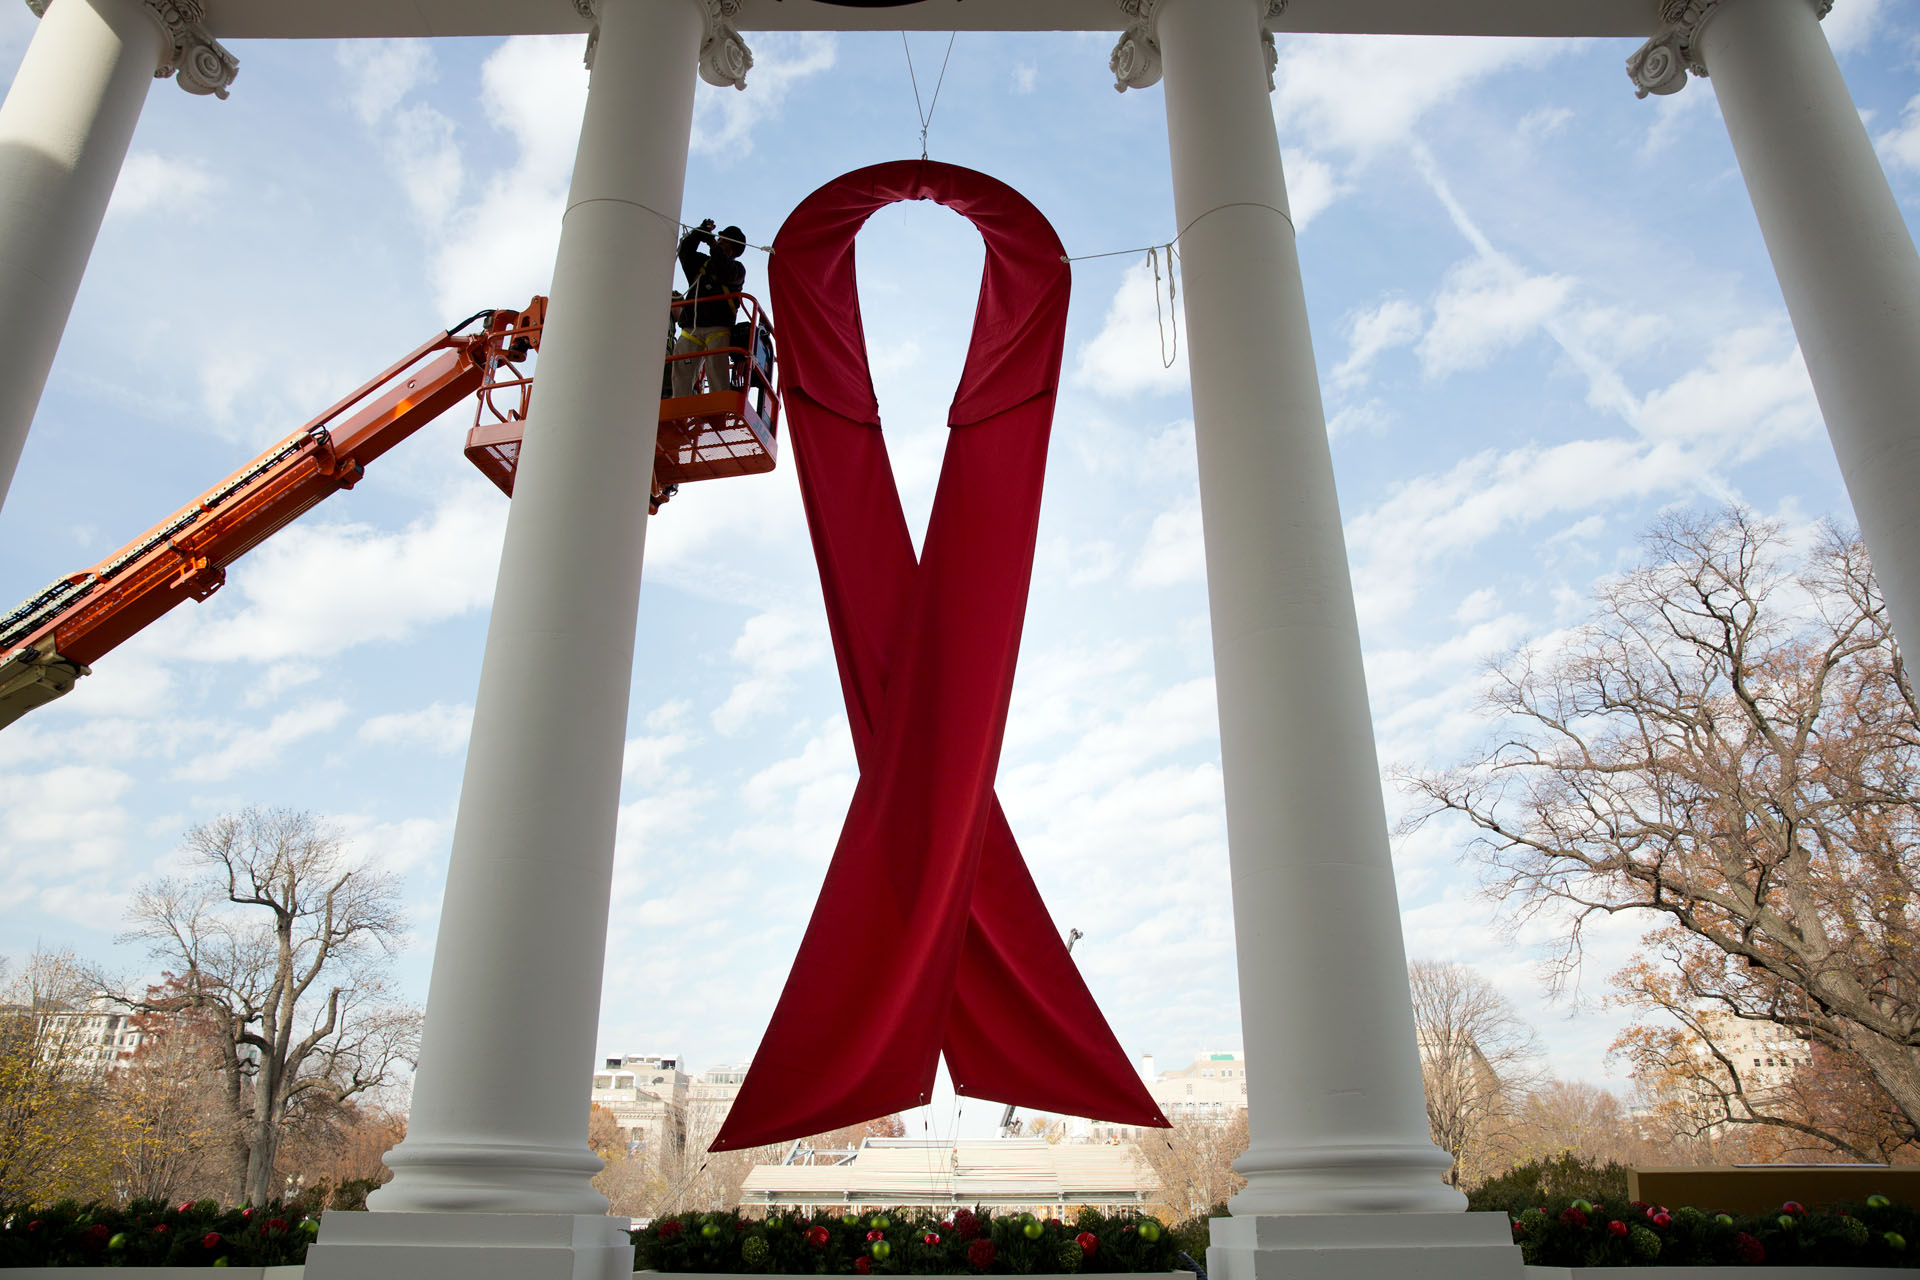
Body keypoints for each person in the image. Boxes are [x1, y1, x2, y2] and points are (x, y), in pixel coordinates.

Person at [672, 219, 746, 397]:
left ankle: (719, 406)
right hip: (691, 327)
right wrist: (699, 232)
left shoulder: (737, 270)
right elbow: (685, 252)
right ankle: (679, 406)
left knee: (716, 372)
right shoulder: (702, 264)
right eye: (719, 239)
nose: (719, 242)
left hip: (717, 328)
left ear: (733, 250)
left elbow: (724, 271)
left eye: (723, 241)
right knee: (681, 371)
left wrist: (712, 244)